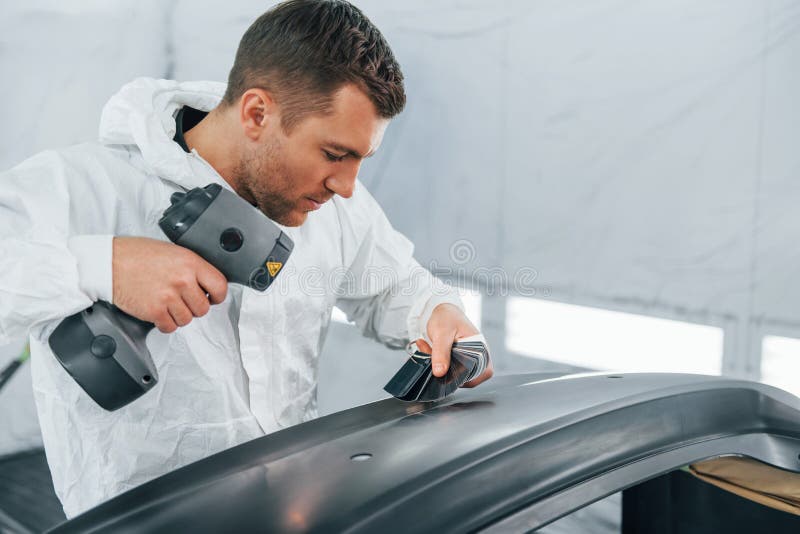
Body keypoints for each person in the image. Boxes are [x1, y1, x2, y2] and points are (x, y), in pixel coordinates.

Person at [0, 0, 492, 517]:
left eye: (360, 159)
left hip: (295, 510)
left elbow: (397, 287)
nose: (347, 187)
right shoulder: (86, 188)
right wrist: (102, 265)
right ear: (257, 113)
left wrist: (437, 311)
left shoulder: (328, 204)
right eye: (333, 154)